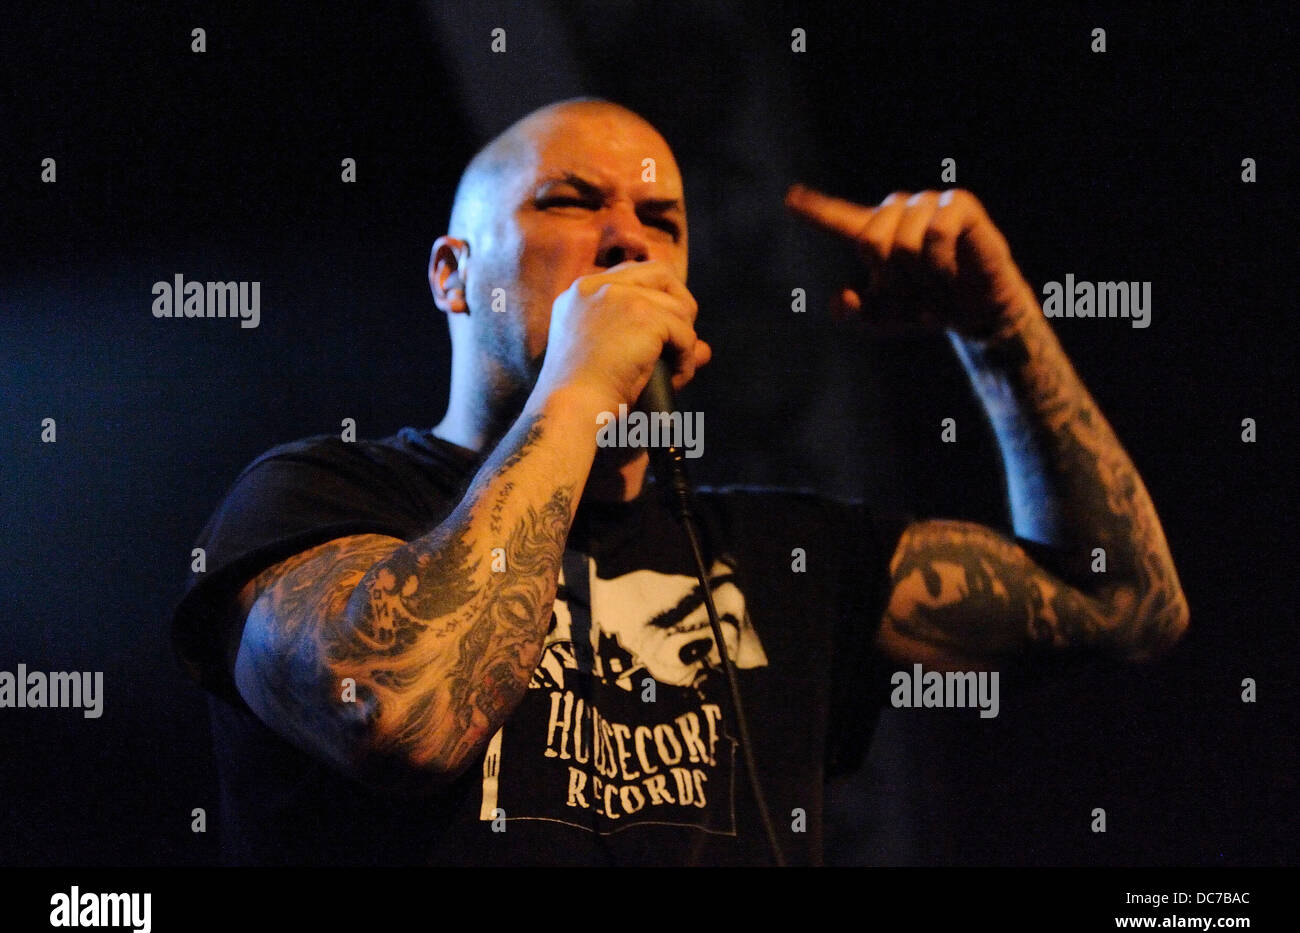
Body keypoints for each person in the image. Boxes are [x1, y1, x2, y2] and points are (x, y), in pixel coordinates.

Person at [170, 98, 1188, 866]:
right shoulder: (318, 497)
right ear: (451, 270)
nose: (626, 239)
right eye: (569, 202)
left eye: (661, 220)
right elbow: (399, 715)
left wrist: (998, 329)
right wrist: (573, 395)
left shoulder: (784, 559)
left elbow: (1123, 602)